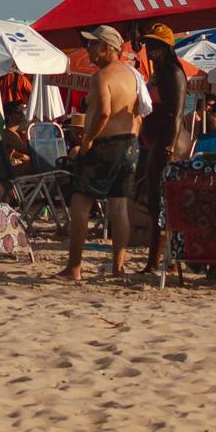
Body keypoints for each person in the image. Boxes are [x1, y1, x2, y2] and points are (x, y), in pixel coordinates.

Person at [63, 28, 150, 283]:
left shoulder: (102, 76)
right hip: (130, 144)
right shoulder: (134, 76)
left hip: (106, 144)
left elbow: (103, 112)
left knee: (80, 204)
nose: (88, 50)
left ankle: (74, 267)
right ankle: (118, 267)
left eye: (92, 45)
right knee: (119, 206)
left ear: (107, 48)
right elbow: (141, 112)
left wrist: (88, 141)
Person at [135, 23, 185, 280]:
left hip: (168, 142)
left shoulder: (173, 73)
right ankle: (153, 260)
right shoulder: (158, 72)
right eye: (148, 44)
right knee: (154, 202)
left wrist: (169, 145)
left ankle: (156, 261)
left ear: (167, 48)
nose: (150, 49)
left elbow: (176, 114)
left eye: (155, 45)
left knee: (162, 203)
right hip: (155, 140)